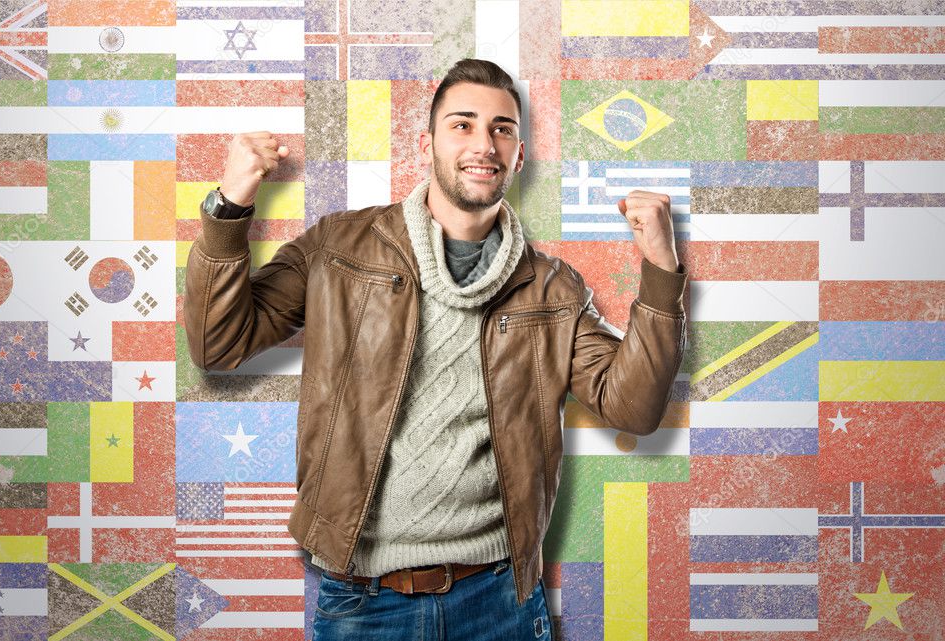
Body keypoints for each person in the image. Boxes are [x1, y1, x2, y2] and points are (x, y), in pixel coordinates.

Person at [183, 58, 688, 640]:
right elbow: (218, 343)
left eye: (502, 129)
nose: (484, 144)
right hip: (362, 600)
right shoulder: (339, 248)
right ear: (427, 143)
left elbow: (634, 410)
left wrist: (660, 269)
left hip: (499, 600)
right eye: (463, 124)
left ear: (519, 155)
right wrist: (230, 206)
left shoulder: (553, 288)